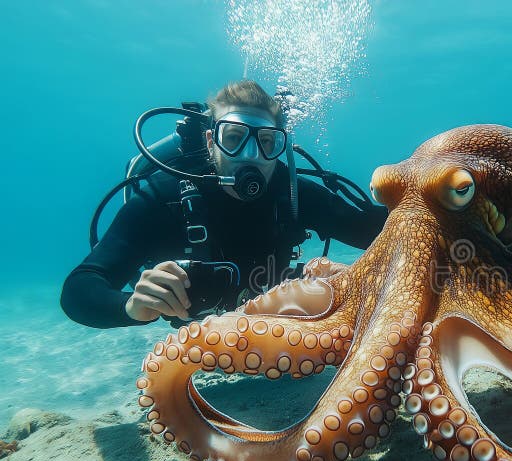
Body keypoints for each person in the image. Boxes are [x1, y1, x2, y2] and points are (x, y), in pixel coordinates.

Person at [61, 80, 387, 328]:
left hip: (276, 323)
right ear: (210, 141)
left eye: (266, 142)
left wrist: (428, 193)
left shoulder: (292, 194)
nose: (250, 156)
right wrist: (130, 306)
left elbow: (380, 231)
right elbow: (80, 289)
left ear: (279, 146)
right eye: (233, 138)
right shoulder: (163, 197)